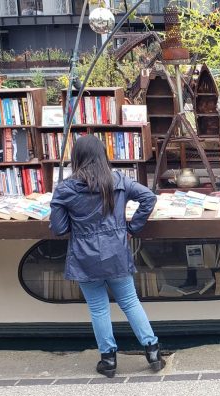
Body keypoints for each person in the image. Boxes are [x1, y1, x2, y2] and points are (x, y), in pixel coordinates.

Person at [50, 135, 161, 378]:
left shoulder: (66, 189)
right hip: (116, 252)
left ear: (76, 158)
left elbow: (58, 228)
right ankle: (152, 351)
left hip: (84, 256)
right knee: (130, 302)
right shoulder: (118, 180)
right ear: (102, 155)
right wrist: (132, 228)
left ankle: (108, 360)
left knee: (98, 308)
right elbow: (148, 198)